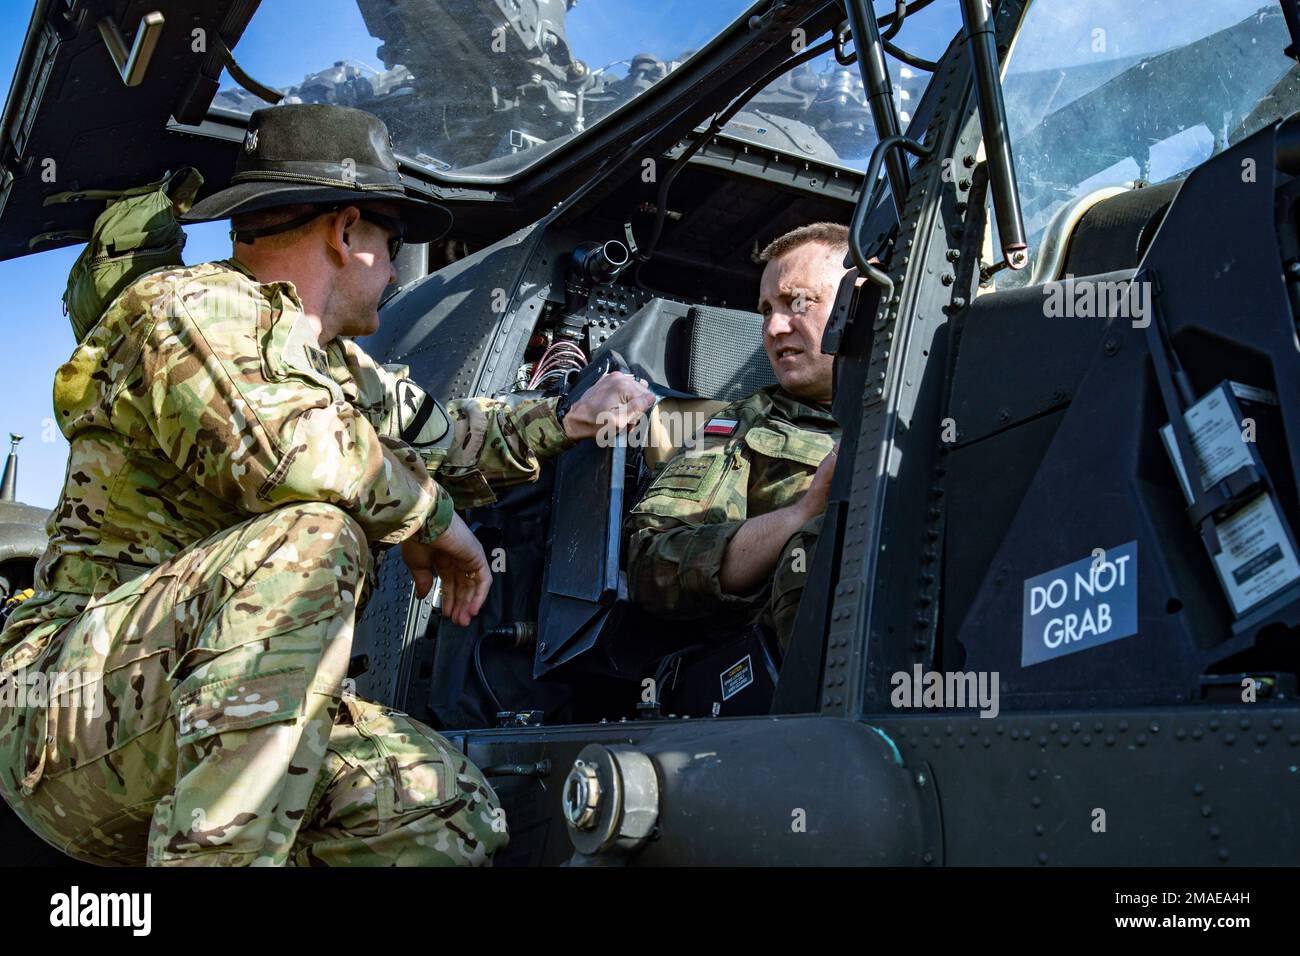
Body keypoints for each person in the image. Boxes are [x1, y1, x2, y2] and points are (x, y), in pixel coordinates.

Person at [0, 103, 653, 866]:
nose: (392, 263)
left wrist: (569, 417)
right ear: (347, 233)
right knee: (312, 540)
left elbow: (450, 439)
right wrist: (436, 523)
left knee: (443, 810)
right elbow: (300, 458)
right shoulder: (186, 308)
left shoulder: (340, 370)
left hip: (200, 716)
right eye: (393, 241)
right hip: (68, 719)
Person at [627, 222, 847, 655]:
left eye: (797, 302)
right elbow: (653, 565)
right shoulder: (743, 425)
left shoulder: (939, 402)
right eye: (766, 310)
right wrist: (801, 515)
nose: (773, 328)